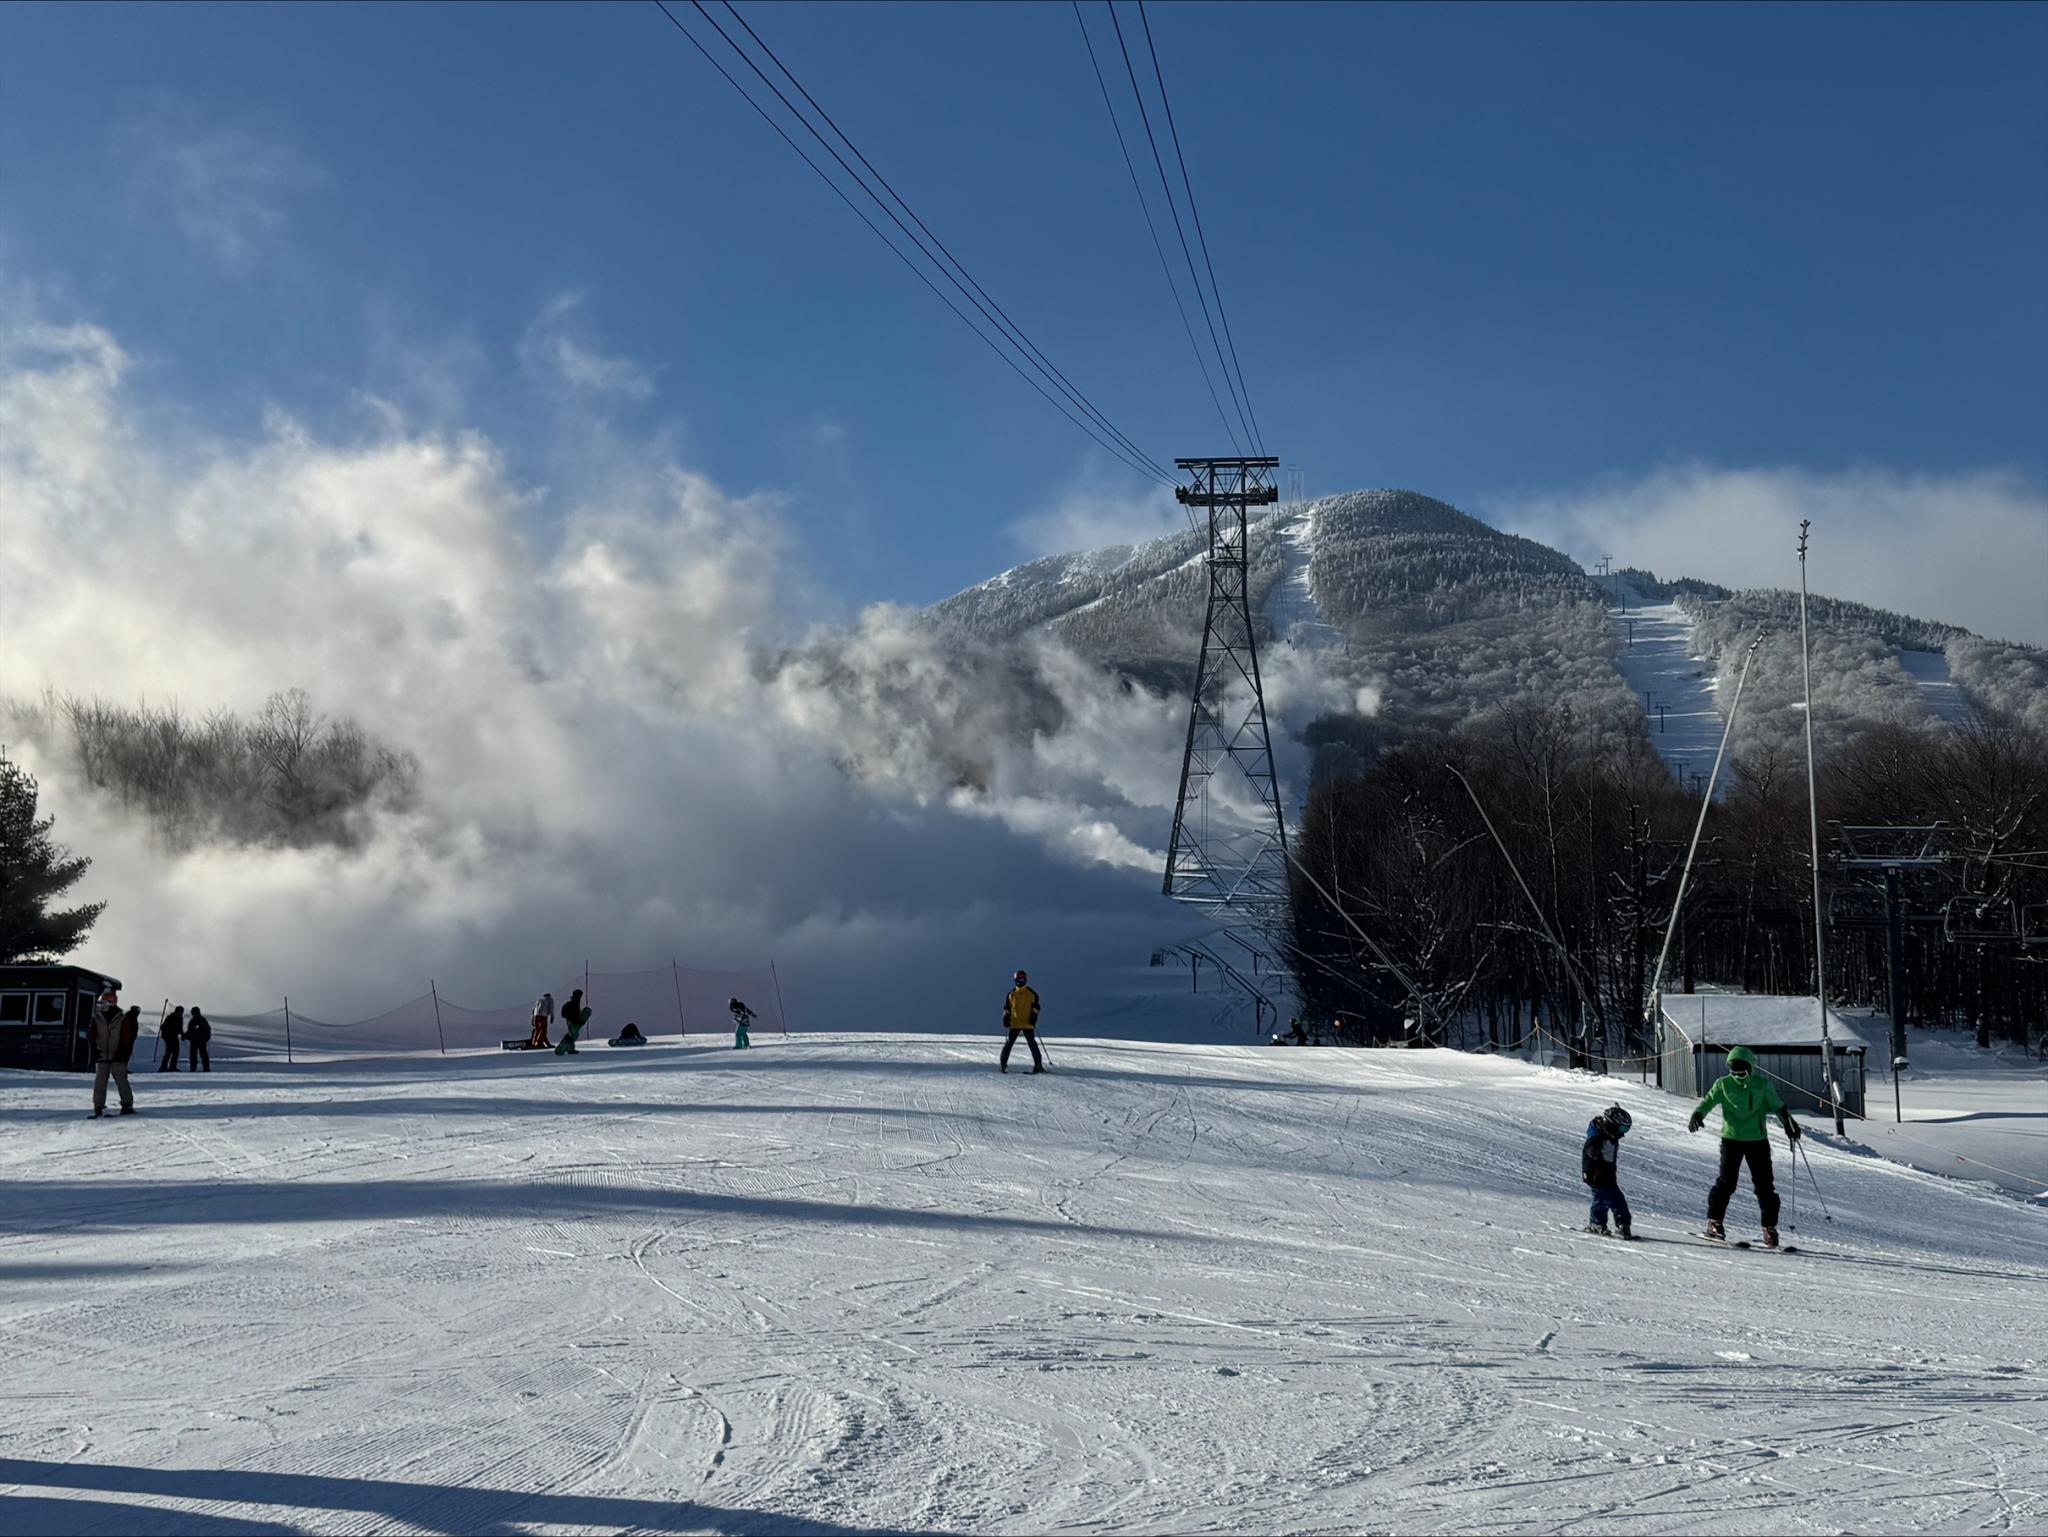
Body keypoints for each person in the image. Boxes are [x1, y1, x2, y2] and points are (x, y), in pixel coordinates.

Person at [1688, 1044, 1801, 1248]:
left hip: (1757, 1141)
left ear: (1750, 1068)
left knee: (1764, 1186)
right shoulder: (1723, 1084)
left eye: (1742, 1071)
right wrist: (1698, 1114)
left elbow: (1778, 1106)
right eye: (1734, 1071)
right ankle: (1714, 1223)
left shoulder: (1761, 1085)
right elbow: (1708, 1101)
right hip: (1731, 1140)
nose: (1738, 1075)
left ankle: (1769, 1229)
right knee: (1727, 1183)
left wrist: (1789, 1124)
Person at [1581, 1104, 1635, 1239]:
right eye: (1622, 1128)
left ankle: (1623, 1225)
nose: (1623, 1133)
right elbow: (1589, 1149)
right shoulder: (1597, 1136)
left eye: (1626, 1129)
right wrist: (1592, 1163)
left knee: (1618, 1200)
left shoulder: (1610, 1135)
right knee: (1602, 1199)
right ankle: (1597, 1223)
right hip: (1596, 1174)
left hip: (1608, 1174)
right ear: (1612, 1124)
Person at [89, 1001, 137, 1117]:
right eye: (101, 1005)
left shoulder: (122, 1019)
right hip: (102, 1056)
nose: (102, 1007)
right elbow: (91, 1035)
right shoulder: (97, 1019)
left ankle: (127, 1104)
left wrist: (122, 1051)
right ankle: (98, 1106)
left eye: (104, 1004)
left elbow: (126, 1036)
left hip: (117, 1056)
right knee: (100, 1082)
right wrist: (94, 1049)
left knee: (121, 1080)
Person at [999, 970, 1043, 1073]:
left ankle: (1038, 1065)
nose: (1020, 981)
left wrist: (1033, 1018)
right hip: (1015, 1023)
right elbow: (1007, 1008)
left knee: (1032, 1044)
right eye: (1018, 979)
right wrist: (1006, 1018)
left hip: (1028, 1023)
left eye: (1022, 979)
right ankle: (1003, 1064)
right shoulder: (1011, 994)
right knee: (1009, 1044)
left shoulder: (1032, 994)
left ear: (1025, 980)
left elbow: (1036, 1008)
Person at [554, 989, 590, 1055]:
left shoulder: (575, 1003)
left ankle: (570, 1048)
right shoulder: (571, 1003)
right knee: (573, 1035)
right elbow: (564, 1014)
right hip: (572, 1022)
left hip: (575, 1021)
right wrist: (569, 1019)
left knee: (574, 1034)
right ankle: (566, 1044)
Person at [186, 1007, 212, 1072]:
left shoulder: (197, 1020)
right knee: (201, 1055)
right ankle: (203, 1068)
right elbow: (190, 1030)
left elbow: (191, 1030)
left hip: (198, 1041)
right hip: (199, 1040)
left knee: (198, 1055)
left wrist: (186, 1036)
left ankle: (195, 1069)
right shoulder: (201, 1019)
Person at [158, 1006, 184, 1071]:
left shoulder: (175, 1017)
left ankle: (166, 1067)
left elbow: (179, 1028)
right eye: (181, 1011)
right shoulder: (174, 1017)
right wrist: (183, 1034)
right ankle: (169, 1067)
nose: (181, 1013)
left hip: (171, 1036)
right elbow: (164, 1027)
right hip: (170, 1037)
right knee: (173, 1052)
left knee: (171, 1052)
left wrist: (183, 1034)